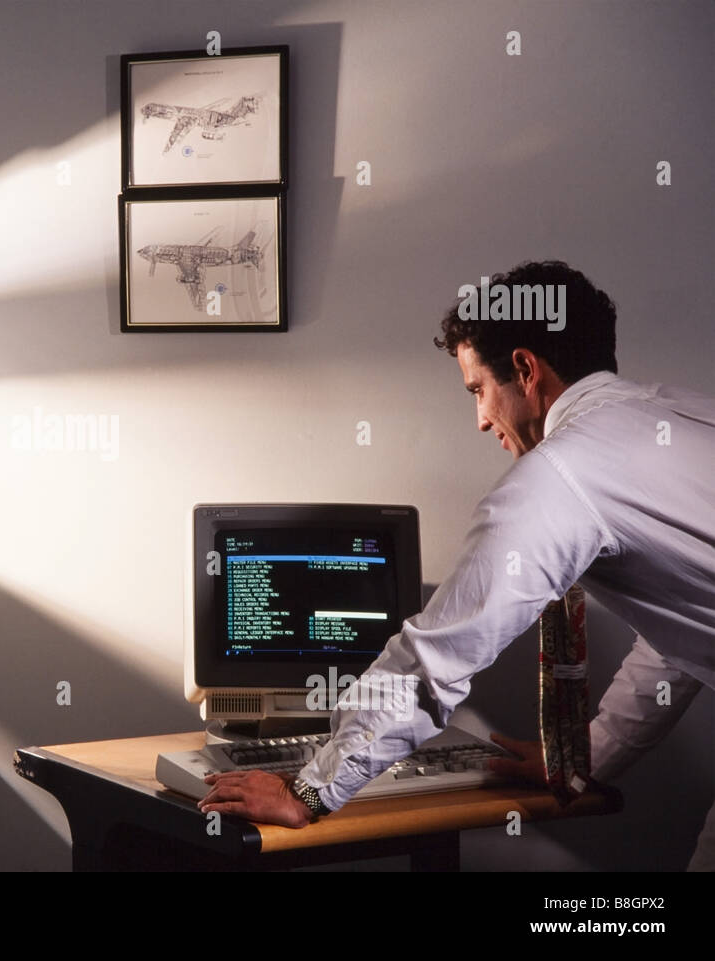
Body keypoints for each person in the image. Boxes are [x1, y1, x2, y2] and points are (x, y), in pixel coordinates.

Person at [199, 261, 715, 870]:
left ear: (524, 369)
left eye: (477, 390)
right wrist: (590, 754)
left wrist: (310, 790)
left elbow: (436, 659)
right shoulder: (685, 414)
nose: (480, 420)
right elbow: (684, 634)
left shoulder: (565, 474)